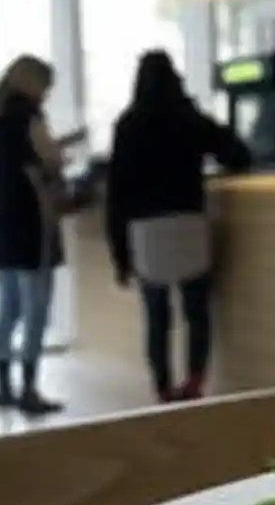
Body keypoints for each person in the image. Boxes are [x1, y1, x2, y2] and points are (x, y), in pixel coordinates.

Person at [106, 51, 251, 403]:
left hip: (146, 233)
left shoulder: (127, 125)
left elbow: (117, 195)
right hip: (188, 225)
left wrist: (121, 258)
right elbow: (239, 154)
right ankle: (195, 382)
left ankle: (163, 388)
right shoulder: (189, 118)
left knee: (157, 318)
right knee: (197, 313)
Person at [0, 55, 68, 416]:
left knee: (8, 306)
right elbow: (47, 163)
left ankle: (3, 387)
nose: (47, 94)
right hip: (30, 221)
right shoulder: (29, 117)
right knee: (36, 310)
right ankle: (29, 389)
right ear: (31, 83)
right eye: (45, 86)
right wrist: (59, 159)